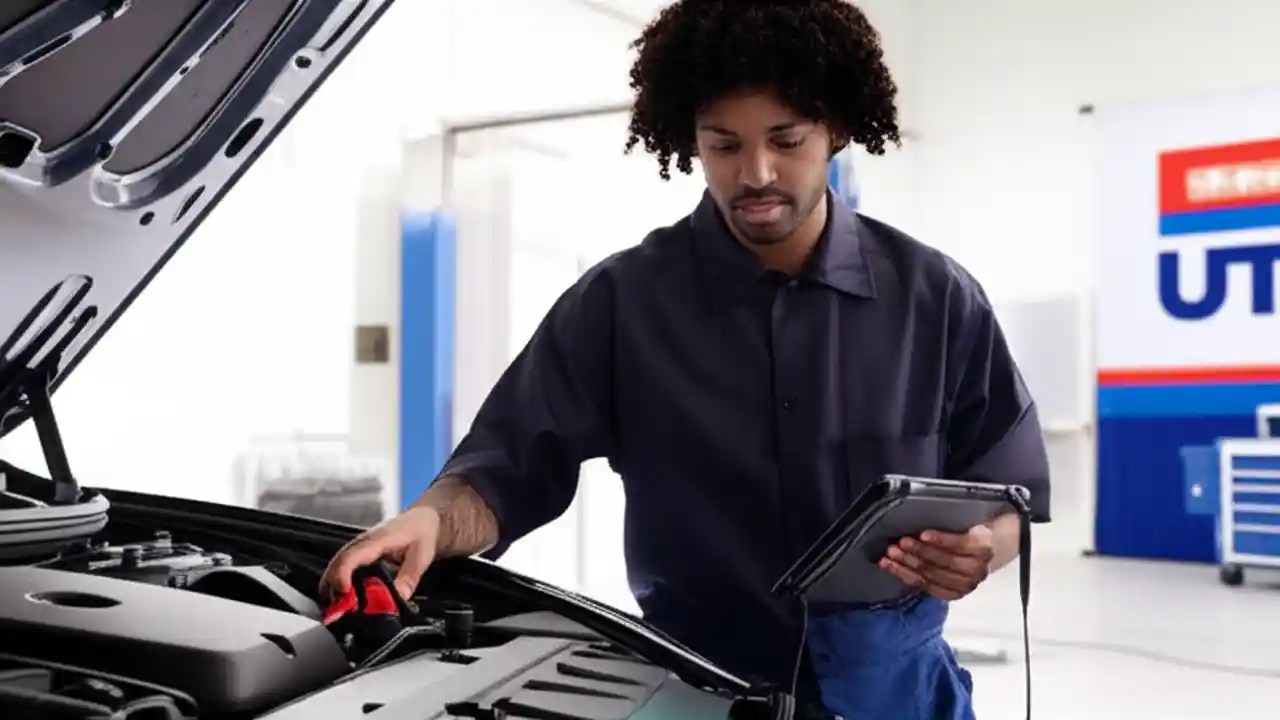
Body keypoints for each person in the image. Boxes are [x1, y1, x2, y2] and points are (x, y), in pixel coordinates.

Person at [321, 1, 1051, 717]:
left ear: (837, 128)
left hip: (900, 698)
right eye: (724, 144)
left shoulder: (936, 299)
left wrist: (985, 544)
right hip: (695, 690)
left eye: (786, 139)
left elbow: (1008, 489)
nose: (755, 173)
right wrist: (427, 522)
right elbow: (501, 471)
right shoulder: (621, 304)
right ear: (689, 138)